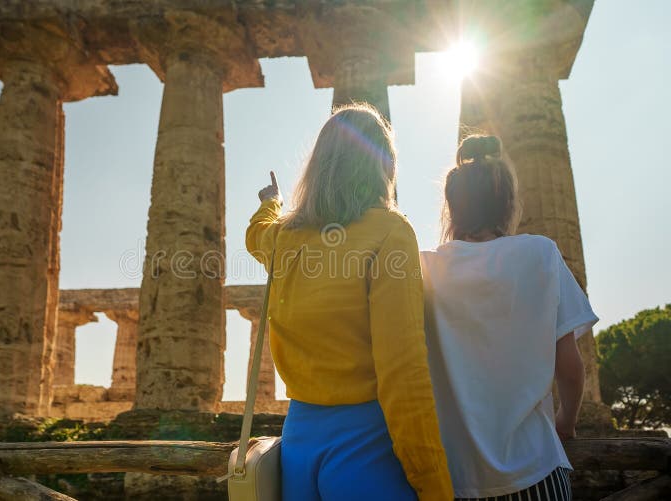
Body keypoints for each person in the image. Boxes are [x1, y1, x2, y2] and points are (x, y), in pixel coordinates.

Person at [246, 103, 452, 501]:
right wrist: (434, 484)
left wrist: (271, 202)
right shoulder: (390, 232)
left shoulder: (285, 238)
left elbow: (257, 234)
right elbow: (402, 370)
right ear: (383, 164)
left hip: (299, 449)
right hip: (364, 451)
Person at [420, 135, 597, 500]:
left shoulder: (424, 269)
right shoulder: (540, 254)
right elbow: (570, 367)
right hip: (537, 471)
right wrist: (566, 421)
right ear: (507, 204)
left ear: (452, 208)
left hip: (453, 479)